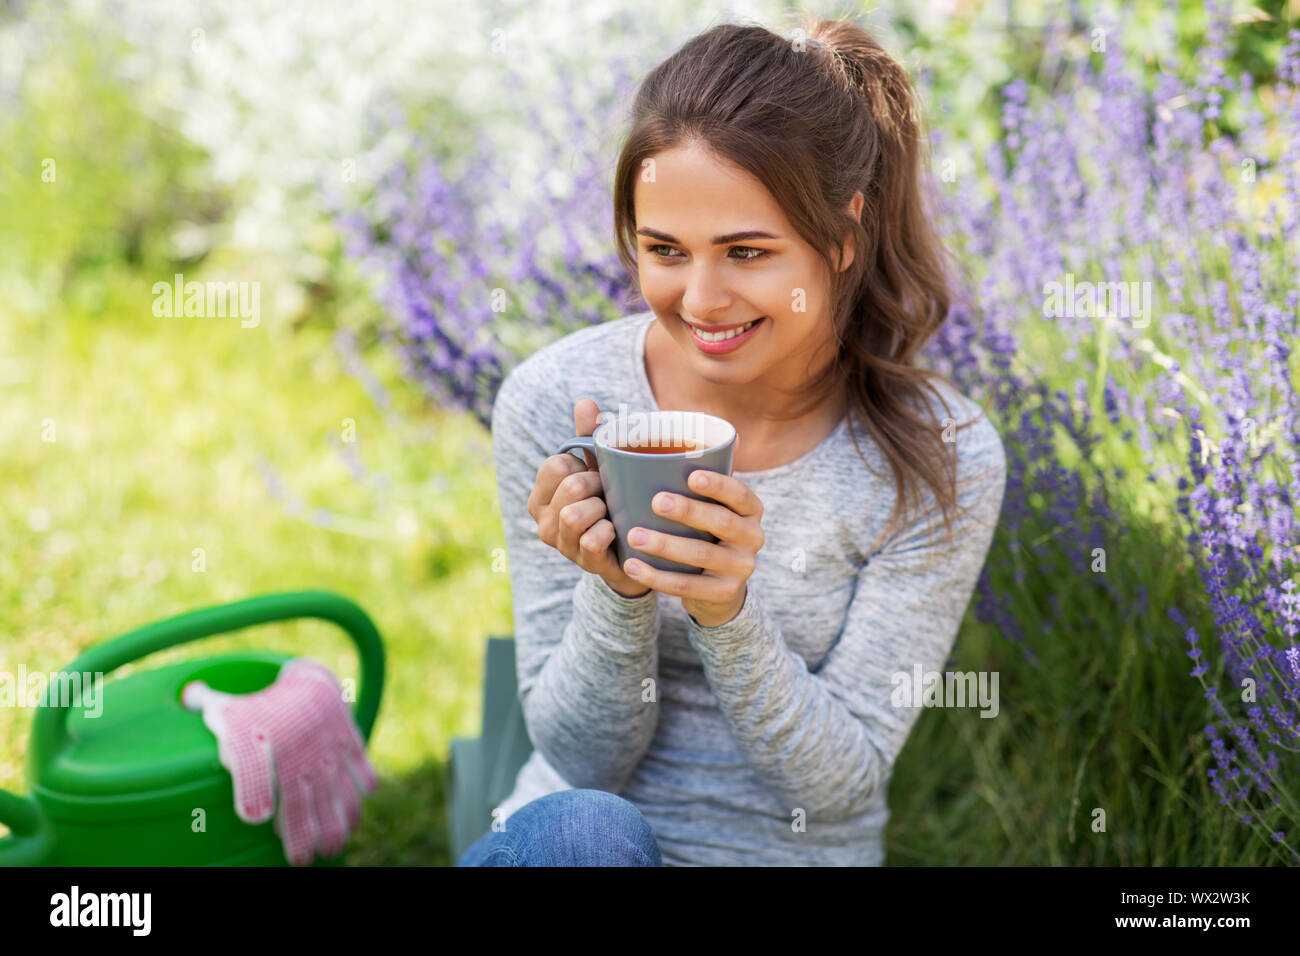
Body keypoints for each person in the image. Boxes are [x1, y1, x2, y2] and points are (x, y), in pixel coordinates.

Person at [458, 13, 1007, 867]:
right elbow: (582, 762)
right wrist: (619, 590)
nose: (702, 299)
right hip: (578, 851)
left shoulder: (942, 457)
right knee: (589, 831)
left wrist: (727, 614)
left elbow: (839, 784)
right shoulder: (561, 401)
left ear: (843, 234)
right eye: (665, 250)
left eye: (746, 251)